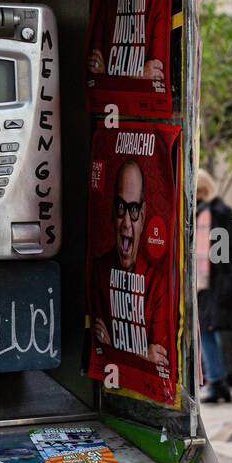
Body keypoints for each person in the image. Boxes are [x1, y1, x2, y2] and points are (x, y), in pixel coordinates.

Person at [89, 159, 172, 373]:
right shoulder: (99, 271)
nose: (126, 222)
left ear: (143, 216)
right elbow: (97, 348)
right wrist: (143, 353)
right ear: (111, 212)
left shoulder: (158, 283)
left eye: (133, 209)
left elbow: (159, 363)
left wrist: (112, 346)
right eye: (120, 207)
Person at [195, 169, 232, 403]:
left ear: (202, 190)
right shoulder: (199, 213)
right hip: (203, 283)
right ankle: (218, 380)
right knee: (205, 330)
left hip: (216, 283)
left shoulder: (220, 213)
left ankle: (217, 381)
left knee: (208, 330)